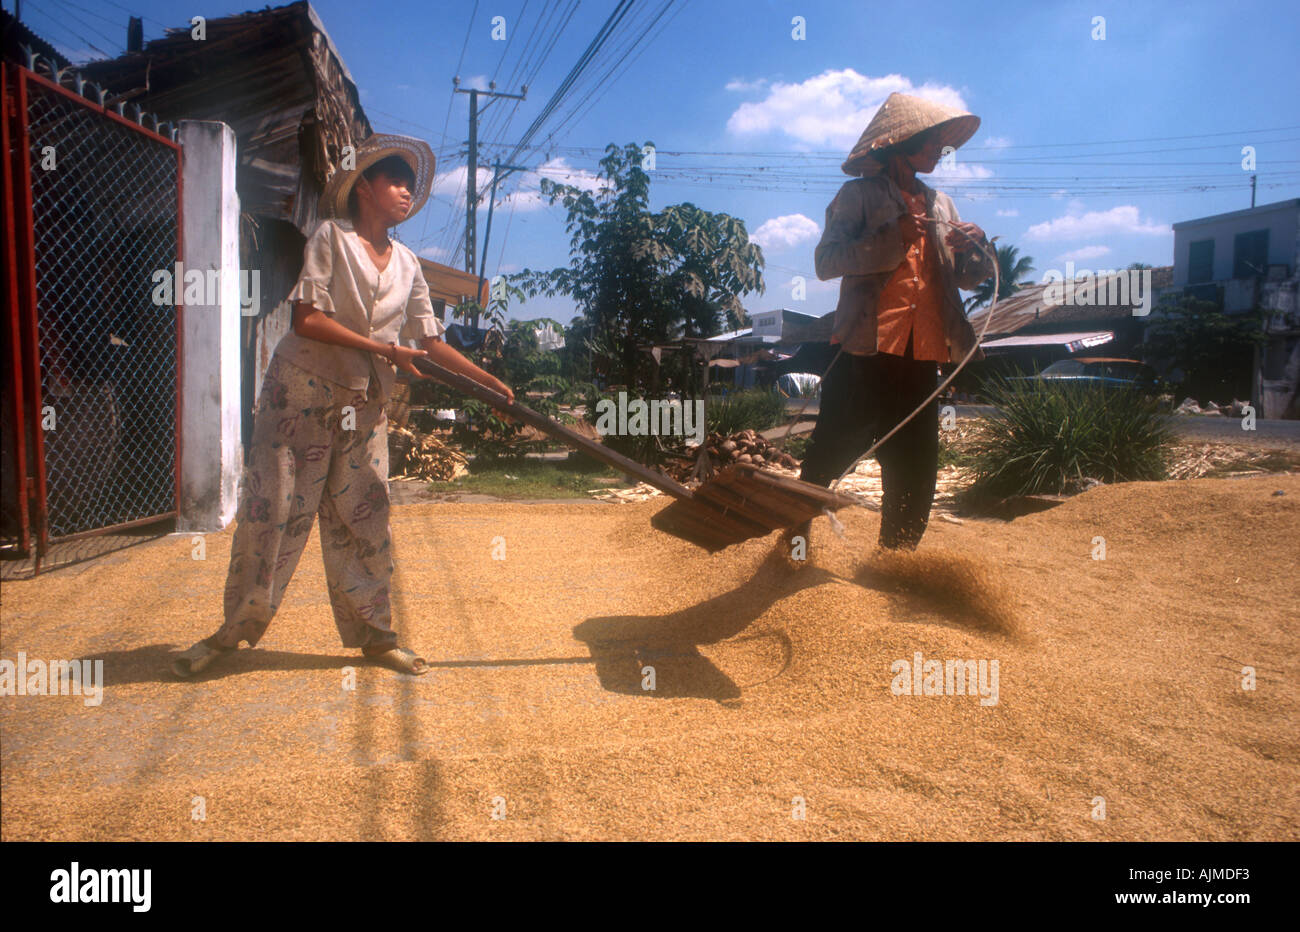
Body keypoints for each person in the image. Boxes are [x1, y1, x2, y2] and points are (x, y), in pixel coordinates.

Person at [172, 133, 513, 677]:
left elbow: (431, 341)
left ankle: (377, 636)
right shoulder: (332, 238)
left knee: (367, 516)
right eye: (395, 181)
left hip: (363, 405)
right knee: (274, 512)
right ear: (364, 189)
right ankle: (228, 634)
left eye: (409, 183)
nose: (406, 193)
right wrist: (384, 349)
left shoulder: (408, 264)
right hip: (301, 394)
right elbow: (307, 319)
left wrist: (490, 381)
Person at [790, 93, 994, 555]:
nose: (941, 151)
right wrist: (891, 239)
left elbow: (963, 278)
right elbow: (825, 262)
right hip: (864, 349)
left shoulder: (943, 205)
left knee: (915, 465)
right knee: (829, 455)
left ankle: (895, 562)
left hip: (922, 354)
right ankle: (794, 542)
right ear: (902, 145)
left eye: (943, 145)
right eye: (932, 143)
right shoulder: (859, 196)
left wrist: (974, 248)